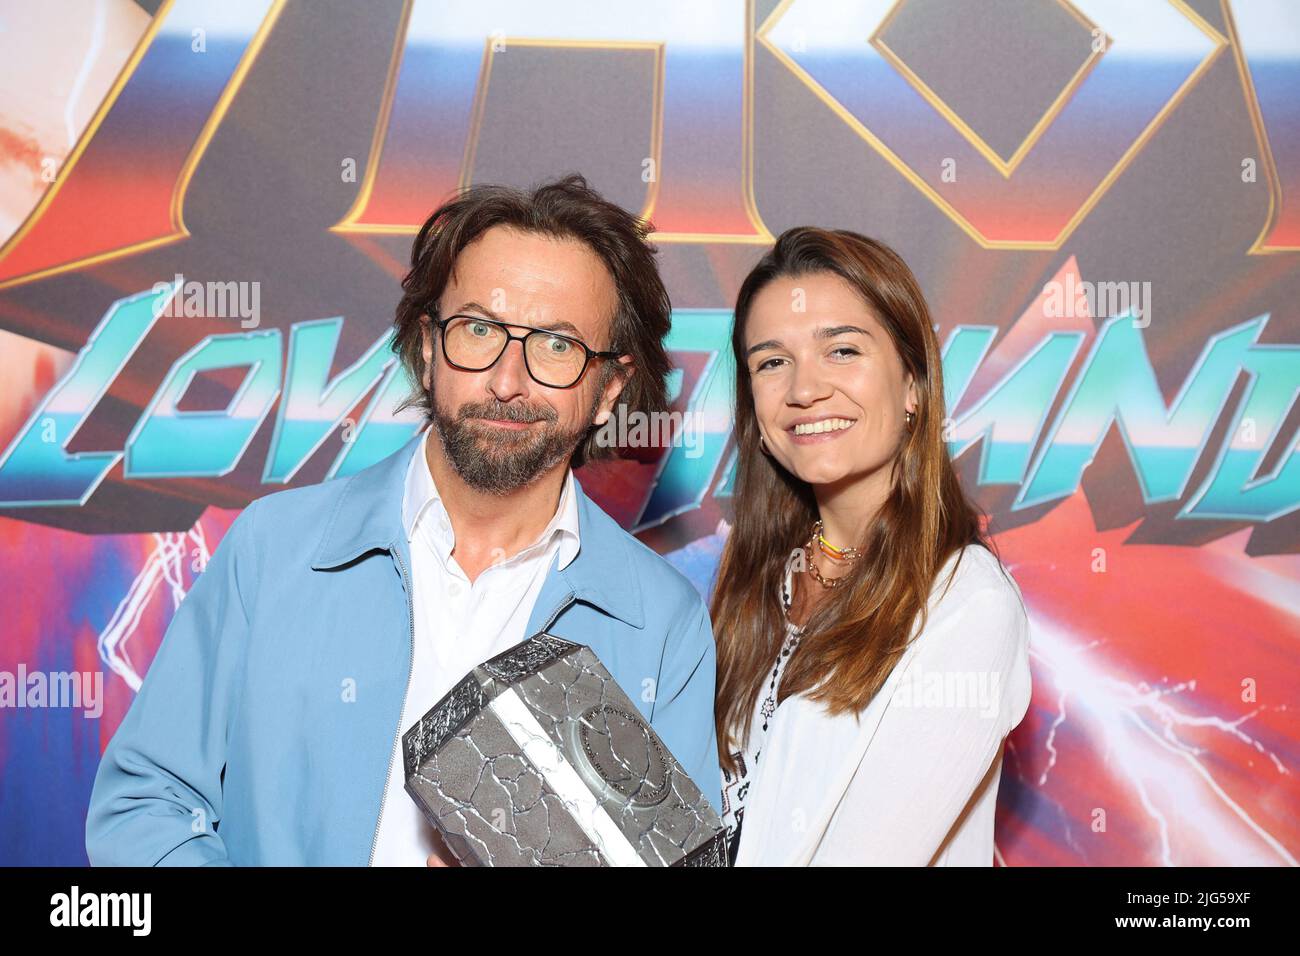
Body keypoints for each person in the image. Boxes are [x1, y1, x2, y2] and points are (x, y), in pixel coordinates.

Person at [85, 174, 722, 866]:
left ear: (610, 390)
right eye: (478, 330)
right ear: (426, 349)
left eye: (556, 346)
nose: (507, 381)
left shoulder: (661, 621)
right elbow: (144, 806)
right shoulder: (275, 550)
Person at [711, 226, 1032, 866]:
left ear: (912, 384)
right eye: (772, 362)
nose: (804, 390)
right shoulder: (756, 583)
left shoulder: (964, 602)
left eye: (842, 351)